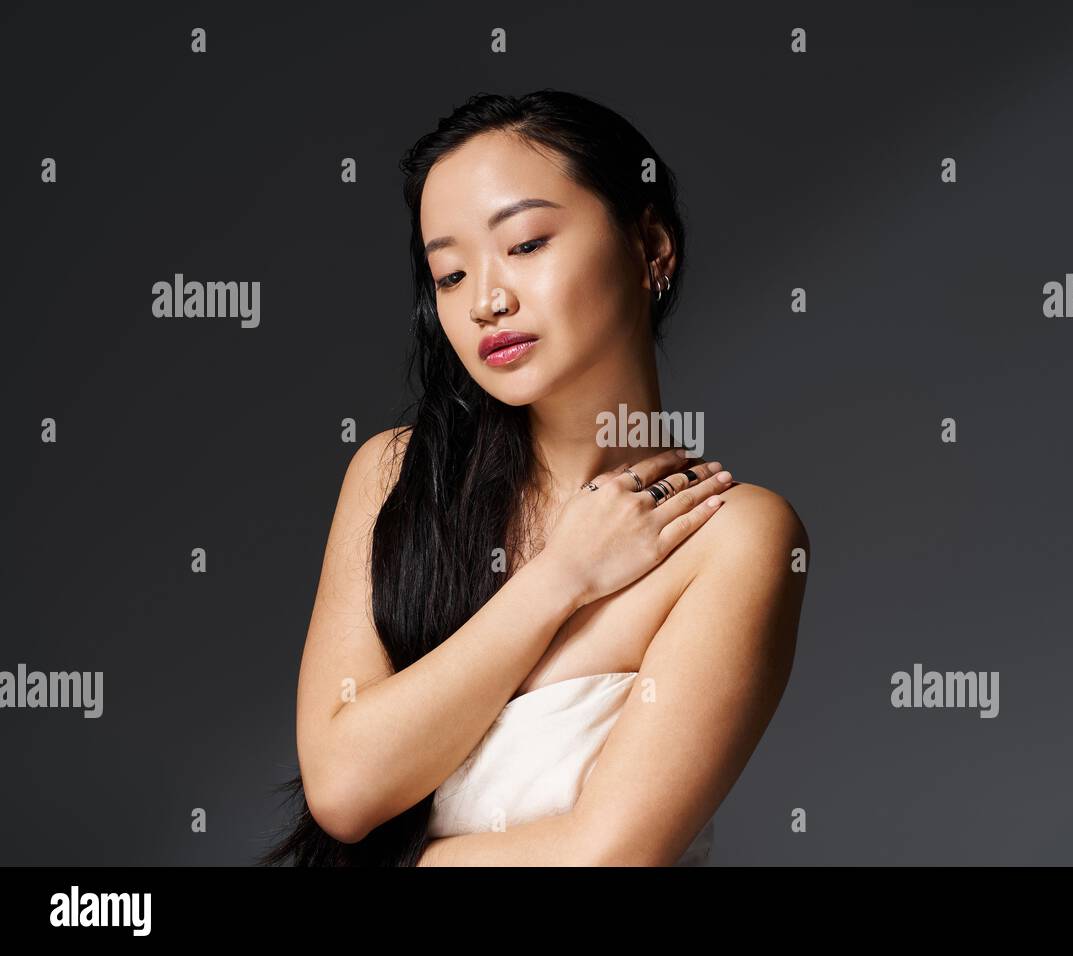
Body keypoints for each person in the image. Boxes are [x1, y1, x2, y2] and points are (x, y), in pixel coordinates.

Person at [259, 89, 809, 866]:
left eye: (524, 244)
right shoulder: (392, 476)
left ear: (651, 246)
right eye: (448, 274)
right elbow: (345, 791)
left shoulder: (737, 538)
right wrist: (564, 575)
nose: (487, 300)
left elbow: (605, 856)